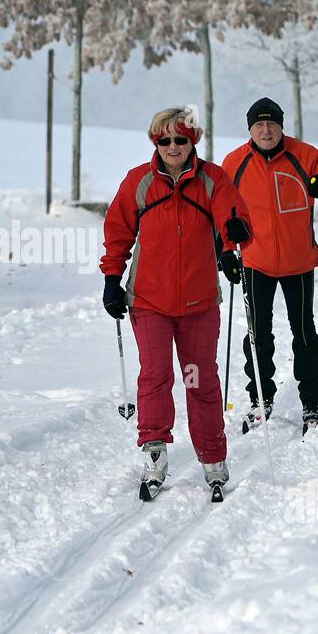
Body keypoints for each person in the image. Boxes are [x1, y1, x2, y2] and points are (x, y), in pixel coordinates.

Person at [101, 107, 253, 497]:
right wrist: (111, 279)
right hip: (148, 300)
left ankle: (213, 459)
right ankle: (155, 455)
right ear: (155, 141)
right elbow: (118, 231)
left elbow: (233, 215)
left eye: (180, 140)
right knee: (155, 375)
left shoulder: (212, 179)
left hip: (199, 301)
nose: (172, 147)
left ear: (193, 142)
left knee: (197, 377)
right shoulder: (139, 181)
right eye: (164, 140)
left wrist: (233, 238)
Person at [220, 97, 318, 433]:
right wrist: (225, 250)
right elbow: (220, 212)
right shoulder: (234, 163)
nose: (266, 130)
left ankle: (312, 402)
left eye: (272, 124)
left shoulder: (304, 155)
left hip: (298, 261)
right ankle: (260, 399)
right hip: (254, 261)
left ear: (281, 126)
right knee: (257, 336)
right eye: (259, 125)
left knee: (304, 332)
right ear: (249, 128)